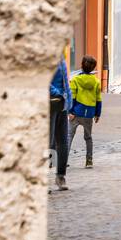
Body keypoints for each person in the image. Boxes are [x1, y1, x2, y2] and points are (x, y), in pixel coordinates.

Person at [68, 55, 102, 169]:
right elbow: (98, 99)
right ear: (93, 68)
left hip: (76, 113)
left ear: (81, 66)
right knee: (88, 137)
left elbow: (72, 97)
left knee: (69, 136)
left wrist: (70, 111)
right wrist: (98, 113)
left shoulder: (76, 80)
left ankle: (64, 159)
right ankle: (89, 160)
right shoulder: (96, 81)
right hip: (89, 114)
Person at [49, 55, 72, 191]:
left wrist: (69, 100)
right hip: (50, 103)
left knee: (63, 141)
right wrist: (57, 93)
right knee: (48, 142)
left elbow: (66, 81)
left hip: (62, 104)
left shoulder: (61, 58)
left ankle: (61, 176)